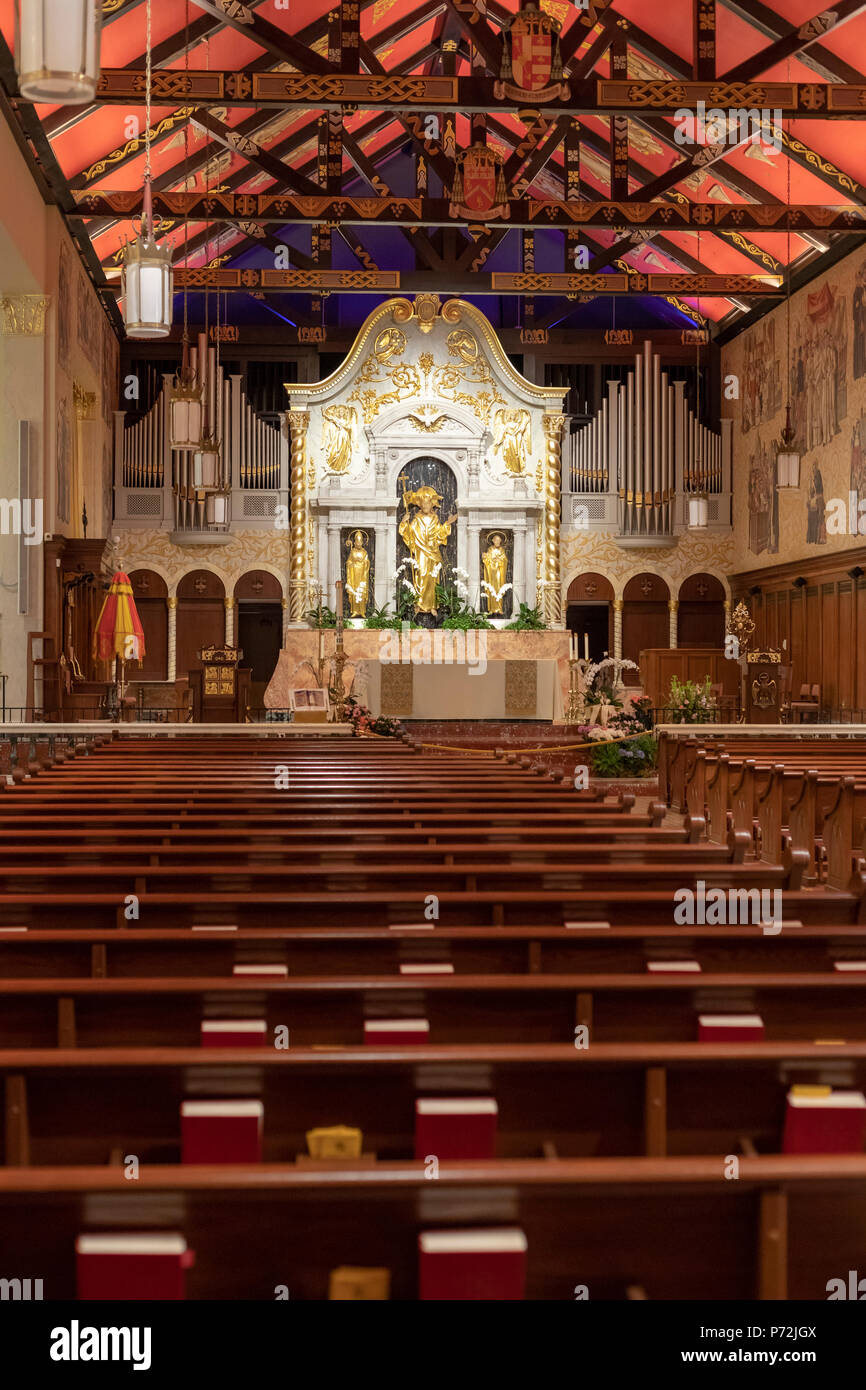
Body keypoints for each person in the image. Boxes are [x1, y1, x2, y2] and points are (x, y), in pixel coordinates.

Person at [399, 486, 456, 614]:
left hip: (433, 553)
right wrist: (404, 523)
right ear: (420, 505)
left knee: (433, 579)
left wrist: (447, 524)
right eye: (423, 504)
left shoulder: (435, 519)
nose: (425, 506)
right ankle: (419, 604)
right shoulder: (417, 519)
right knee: (421, 576)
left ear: (432, 505)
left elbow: (440, 533)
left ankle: (432, 606)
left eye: (428, 504)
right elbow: (410, 534)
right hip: (420, 553)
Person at [345, 531, 370, 618]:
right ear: (354, 542)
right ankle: (355, 611)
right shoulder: (352, 551)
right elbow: (349, 561)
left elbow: (367, 562)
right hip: (354, 573)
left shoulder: (364, 552)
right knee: (354, 591)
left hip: (362, 574)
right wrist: (350, 564)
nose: (358, 544)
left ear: (362, 542)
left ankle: (362, 611)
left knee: (362, 591)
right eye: (357, 542)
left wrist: (365, 563)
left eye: (360, 542)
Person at [481, 533, 508, 614]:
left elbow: (505, 560)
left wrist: (500, 560)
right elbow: (487, 559)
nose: (497, 541)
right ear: (493, 541)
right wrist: (485, 557)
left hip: (499, 573)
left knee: (499, 588)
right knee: (491, 589)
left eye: (499, 540)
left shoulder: (502, 550)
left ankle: (499, 608)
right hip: (491, 573)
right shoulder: (490, 549)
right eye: (496, 540)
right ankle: (492, 609)